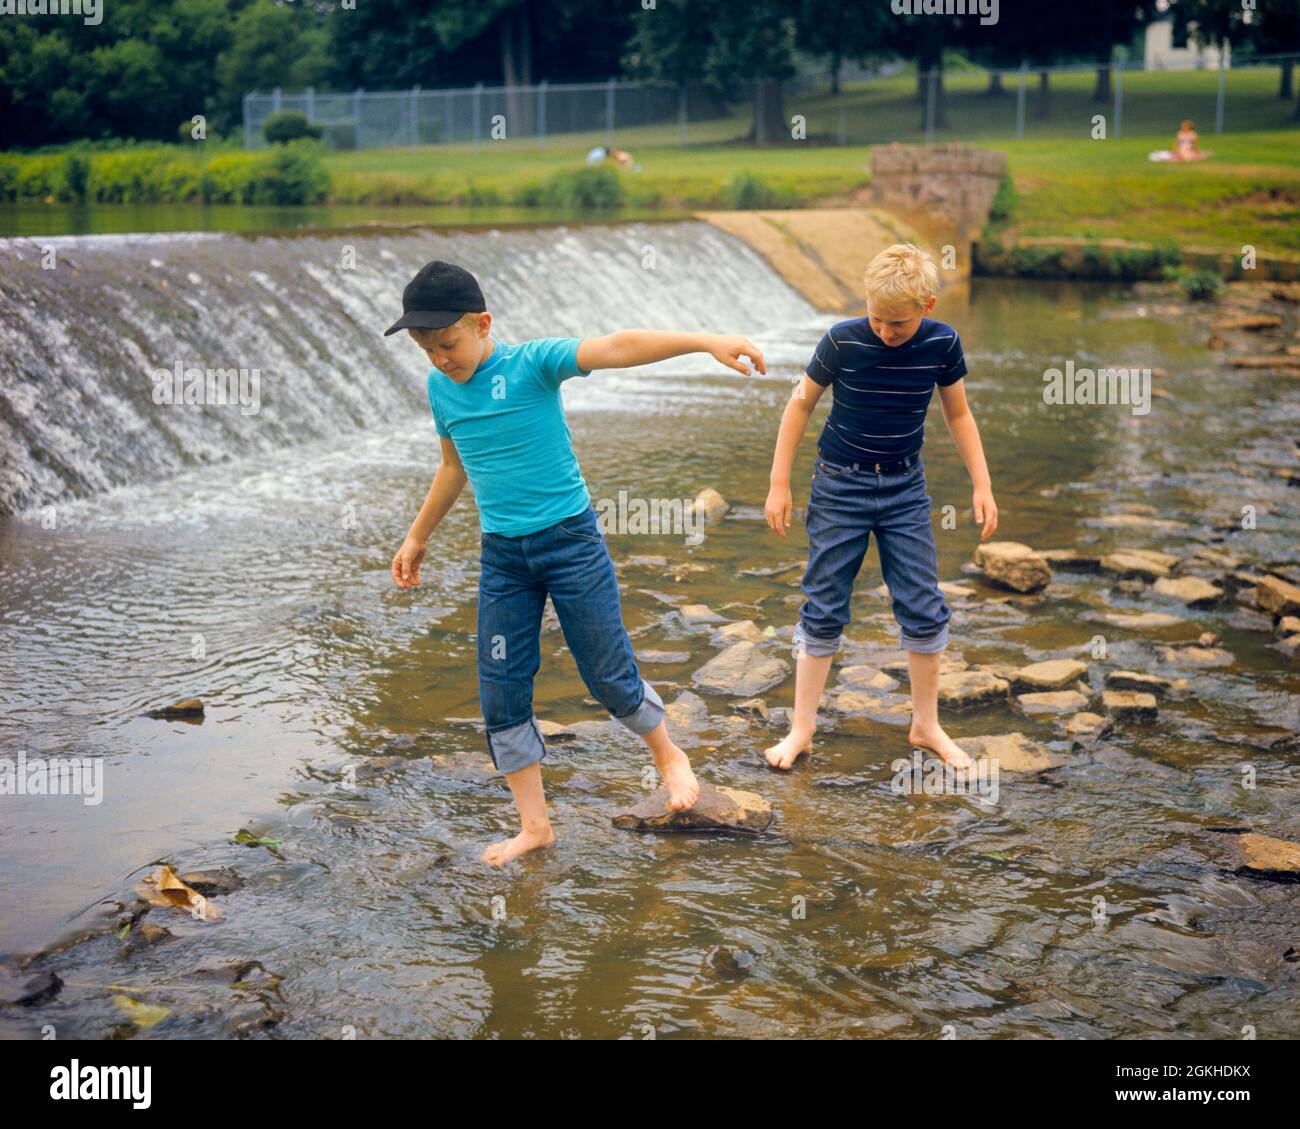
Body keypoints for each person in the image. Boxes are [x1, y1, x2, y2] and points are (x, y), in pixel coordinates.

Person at [385, 260, 766, 865]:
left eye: (448, 344)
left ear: (483, 324)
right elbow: (454, 466)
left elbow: (617, 346)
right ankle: (535, 827)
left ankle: (669, 754)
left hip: (570, 543)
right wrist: (417, 537)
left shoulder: (534, 363)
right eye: (426, 349)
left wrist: (705, 341)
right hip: (504, 558)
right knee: (501, 691)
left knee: (608, 676)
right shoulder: (440, 389)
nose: (439, 360)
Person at [762, 243, 998, 773]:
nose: (886, 331)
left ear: (928, 305)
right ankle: (802, 728)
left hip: (904, 490)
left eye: (898, 322)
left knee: (921, 601)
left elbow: (958, 415)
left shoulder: (942, 343)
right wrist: (780, 482)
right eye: (877, 318)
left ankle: (926, 725)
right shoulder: (842, 340)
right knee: (824, 603)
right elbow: (800, 403)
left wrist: (981, 485)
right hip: (838, 485)